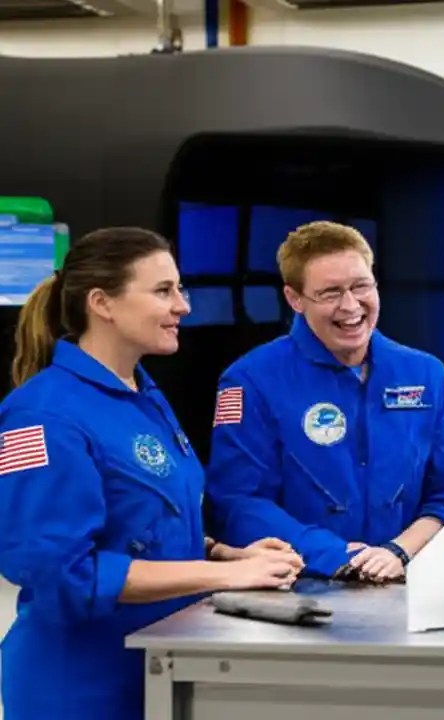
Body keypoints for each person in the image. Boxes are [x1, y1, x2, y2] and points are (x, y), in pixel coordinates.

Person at [0, 228, 302, 720]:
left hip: (157, 670)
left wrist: (225, 551)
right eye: (163, 291)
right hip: (80, 687)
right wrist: (226, 574)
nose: (183, 305)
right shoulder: (43, 415)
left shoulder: (144, 397)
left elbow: (140, 523)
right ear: (103, 303)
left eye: (179, 289)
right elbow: (62, 573)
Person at [204, 221, 444, 582]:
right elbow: (237, 503)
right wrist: (336, 555)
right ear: (294, 299)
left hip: (413, 585)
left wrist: (398, 551)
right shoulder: (251, 381)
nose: (351, 306)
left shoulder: (425, 375)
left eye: (361, 286)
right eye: (330, 293)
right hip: (300, 587)